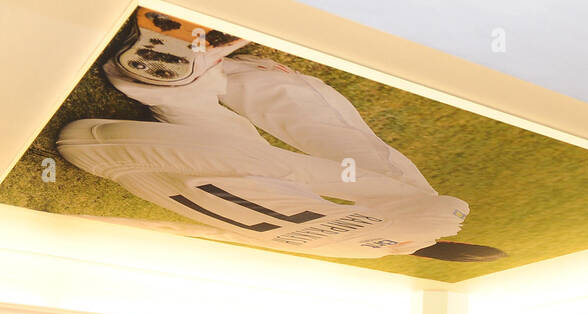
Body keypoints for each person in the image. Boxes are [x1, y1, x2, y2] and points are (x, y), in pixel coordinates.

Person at [56, 9, 503, 263]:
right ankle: (175, 84)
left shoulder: (429, 221)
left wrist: (436, 231)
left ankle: (202, 71)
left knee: (365, 163)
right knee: (242, 156)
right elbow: (198, 232)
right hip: (98, 153)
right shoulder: (349, 253)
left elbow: (437, 211)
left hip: (183, 158)